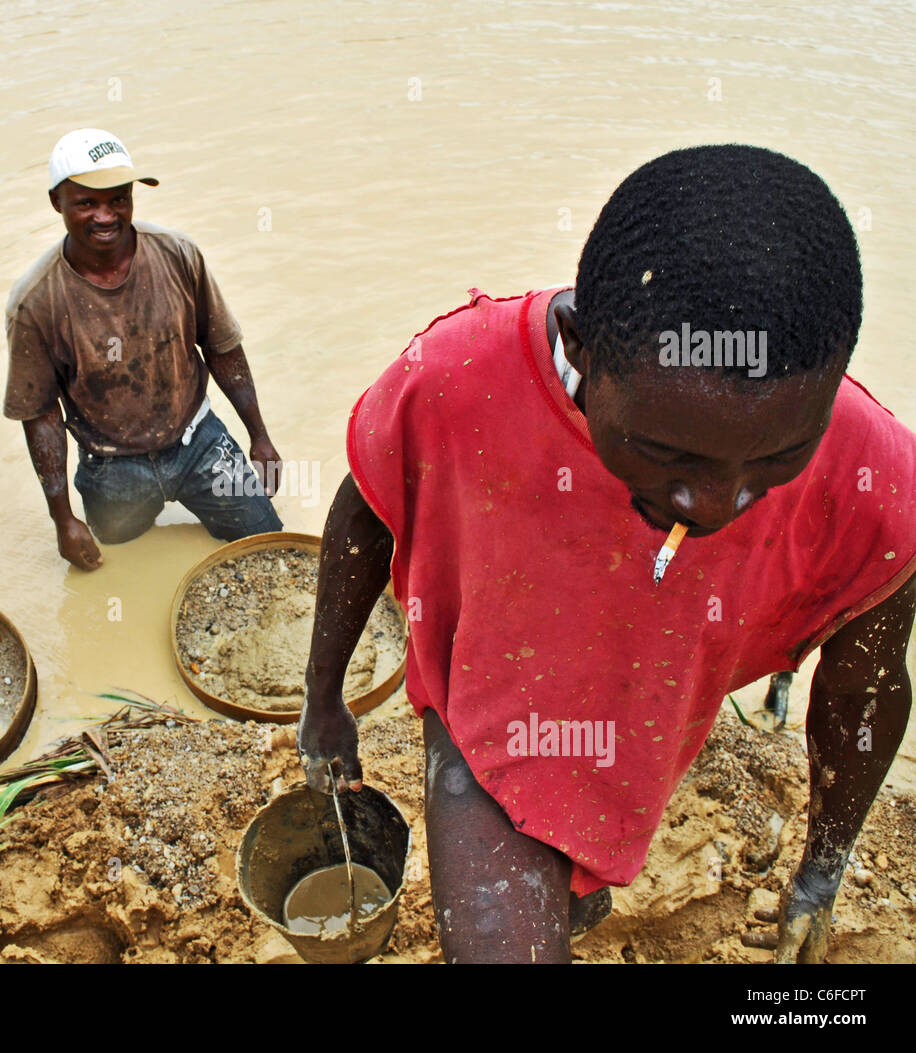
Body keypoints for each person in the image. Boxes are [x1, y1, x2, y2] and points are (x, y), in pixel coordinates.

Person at [299, 145, 916, 964]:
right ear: (581, 345)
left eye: (773, 463)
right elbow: (366, 510)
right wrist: (323, 697)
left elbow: (864, 686)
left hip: (659, 701)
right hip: (495, 708)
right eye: (670, 457)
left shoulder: (873, 475)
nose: (717, 508)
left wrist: (821, 872)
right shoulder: (458, 382)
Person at [3, 128, 284, 571]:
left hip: (200, 442)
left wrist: (260, 436)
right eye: (86, 203)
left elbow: (222, 347)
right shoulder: (35, 301)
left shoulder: (178, 254)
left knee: (267, 543)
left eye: (118, 199)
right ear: (57, 201)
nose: (105, 215)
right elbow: (40, 414)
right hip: (112, 467)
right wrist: (62, 519)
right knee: (112, 557)